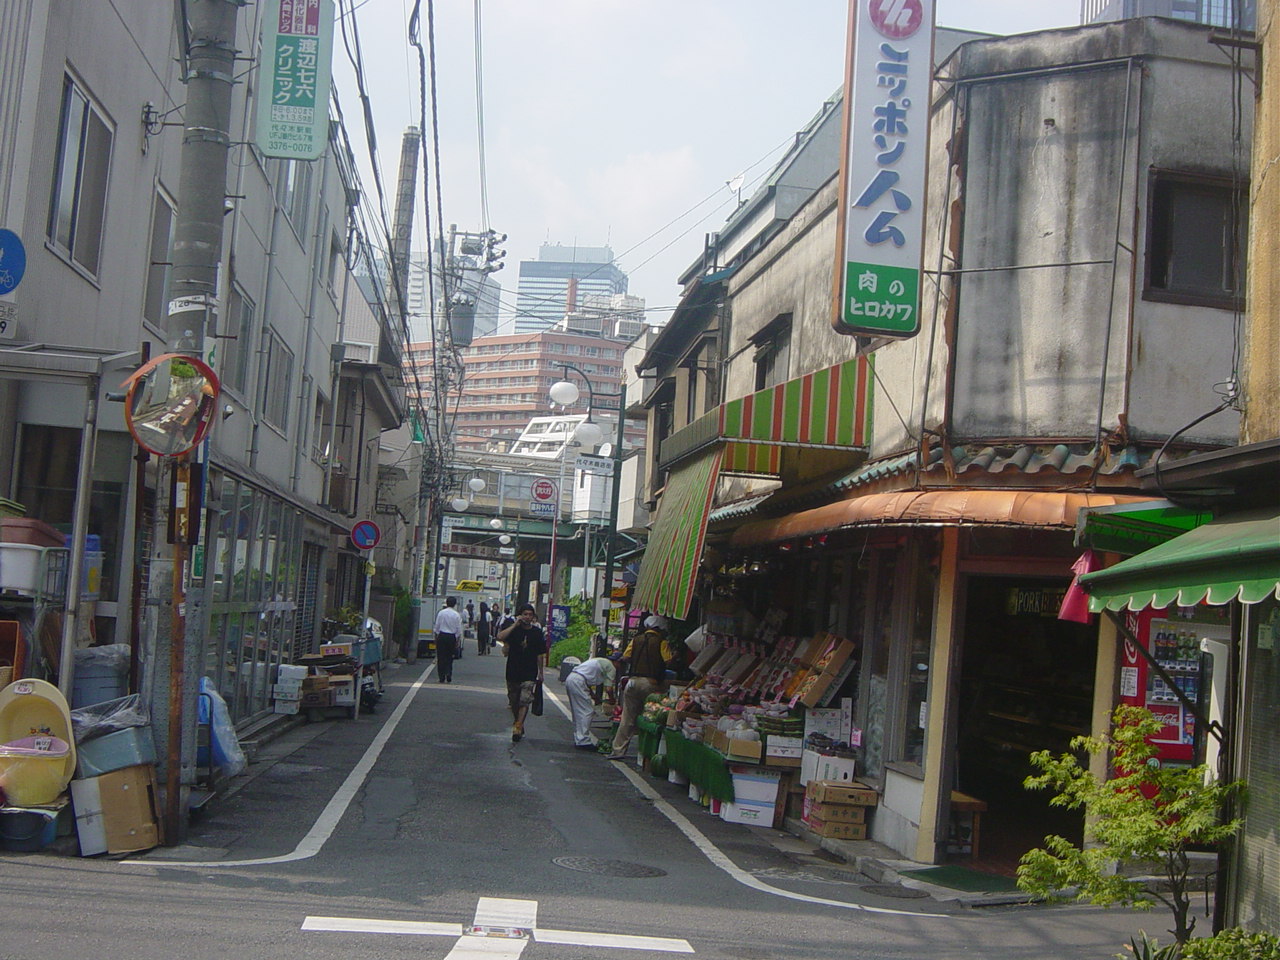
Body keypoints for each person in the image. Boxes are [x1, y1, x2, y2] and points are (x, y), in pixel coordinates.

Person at [607, 615, 675, 760]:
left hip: (632, 682)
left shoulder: (635, 640)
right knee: (651, 716)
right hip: (650, 683)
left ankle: (617, 750)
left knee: (627, 718)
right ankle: (646, 754)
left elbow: (625, 657)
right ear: (659, 629)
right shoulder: (661, 642)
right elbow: (668, 661)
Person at [497, 603, 545, 742]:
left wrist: (541, 672)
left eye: (530, 615)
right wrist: (514, 625)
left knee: (525, 700)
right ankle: (518, 722)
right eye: (525, 614)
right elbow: (500, 637)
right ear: (520, 615)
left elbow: (540, 654)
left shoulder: (536, 633)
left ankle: (518, 725)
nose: (527, 617)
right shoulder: (514, 631)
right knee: (514, 701)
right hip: (513, 670)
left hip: (529, 671)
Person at [565, 655, 616, 749]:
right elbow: (609, 689)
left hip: (572, 678)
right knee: (587, 711)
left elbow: (585, 678)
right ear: (617, 662)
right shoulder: (611, 667)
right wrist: (612, 701)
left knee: (578, 711)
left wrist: (593, 696)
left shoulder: (599, 660)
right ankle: (583, 741)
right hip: (578, 682)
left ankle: (579, 737)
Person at [433, 596, 463, 683]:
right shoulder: (456, 615)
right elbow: (458, 629)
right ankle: (448, 674)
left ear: (446, 603)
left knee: (441, 657)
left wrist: (436, 638)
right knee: (450, 657)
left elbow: (437, 627)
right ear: (454, 604)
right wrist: (457, 641)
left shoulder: (441, 613)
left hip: (442, 636)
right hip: (451, 637)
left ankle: (441, 677)